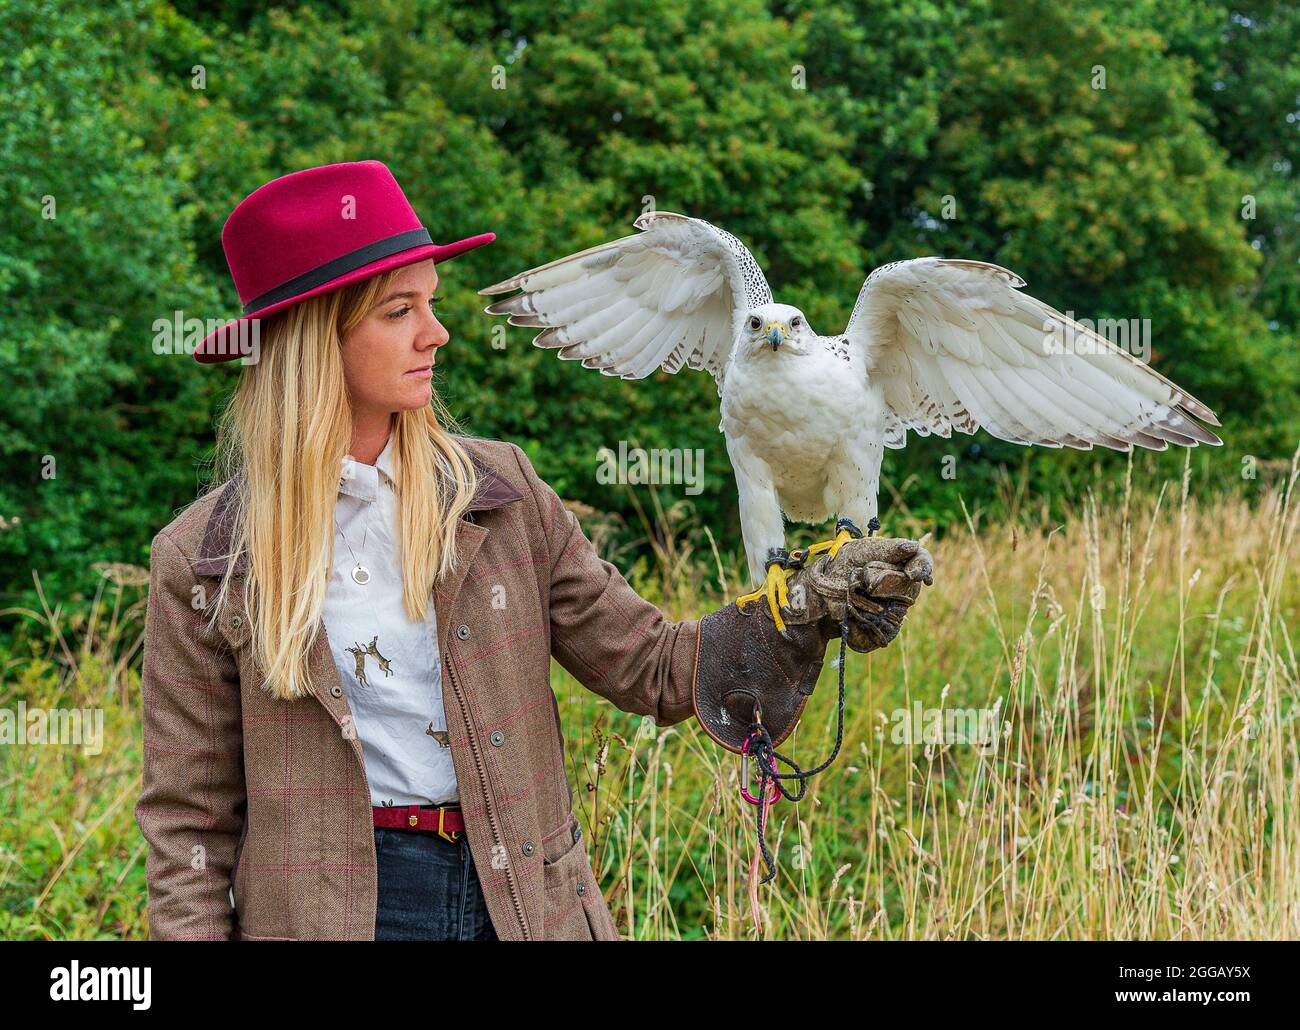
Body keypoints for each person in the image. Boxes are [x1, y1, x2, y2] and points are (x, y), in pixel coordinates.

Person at [134, 160, 932, 941]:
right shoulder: (205, 559)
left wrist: (799, 611)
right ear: (315, 338)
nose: (435, 333)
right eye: (398, 311)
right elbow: (188, 824)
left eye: (432, 304)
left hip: (522, 899)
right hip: (329, 913)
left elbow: (649, 666)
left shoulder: (500, 493)